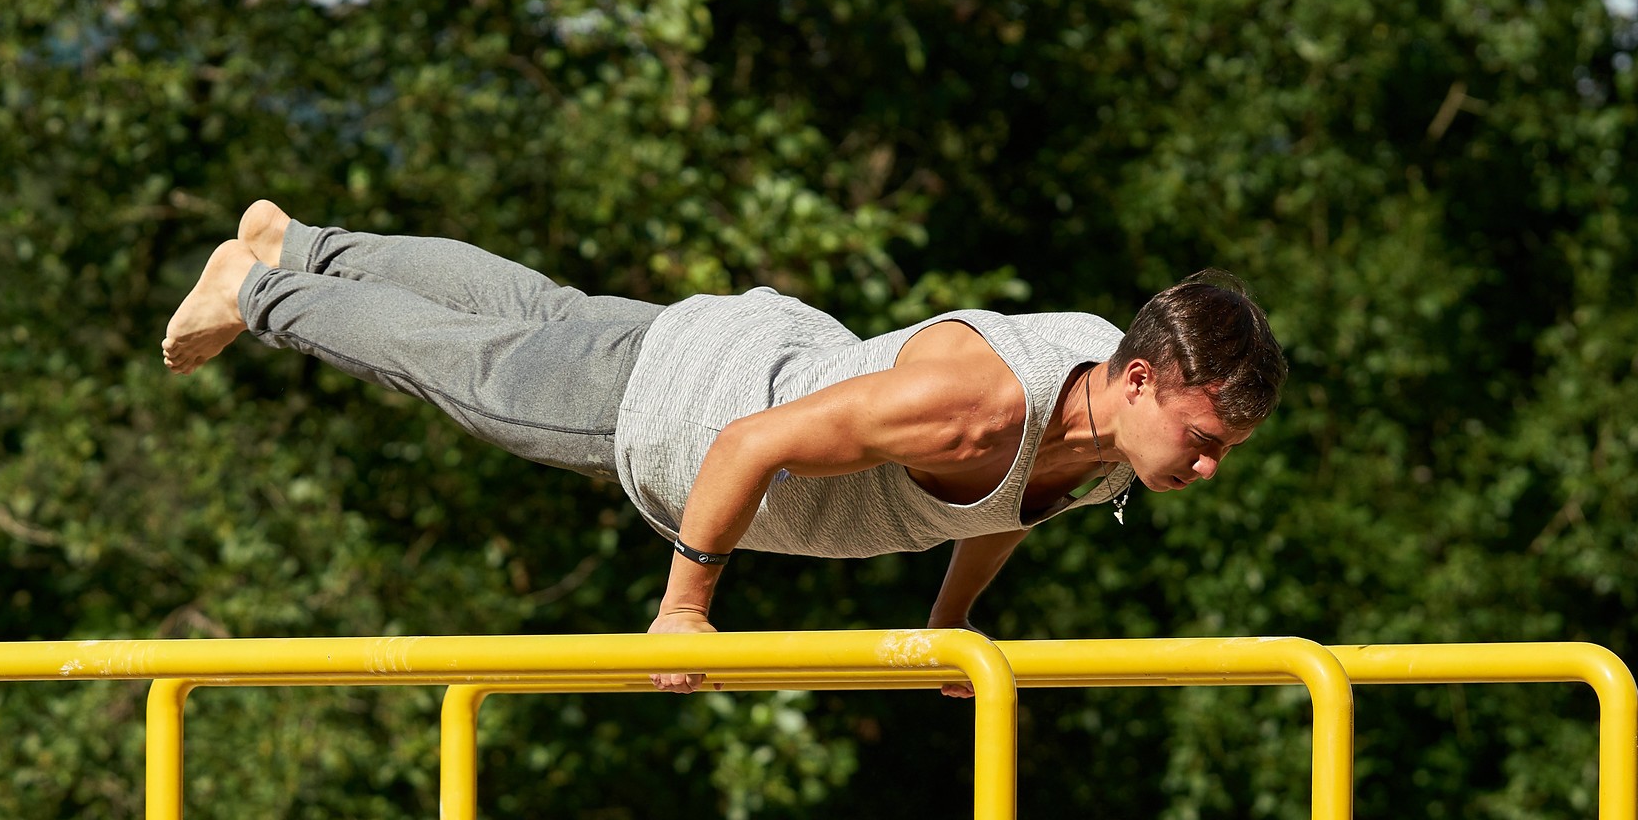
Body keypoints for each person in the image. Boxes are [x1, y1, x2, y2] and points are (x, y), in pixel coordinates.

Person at [162, 201, 1287, 692]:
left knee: (535, 311)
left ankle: (300, 242)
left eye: (1223, 451)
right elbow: (751, 444)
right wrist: (685, 607)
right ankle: (256, 289)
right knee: (463, 365)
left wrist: (947, 625)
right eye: (1201, 441)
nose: (1205, 470)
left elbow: (1002, 506)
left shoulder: (1103, 424)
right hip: (684, 412)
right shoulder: (975, 406)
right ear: (1141, 379)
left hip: (747, 344)